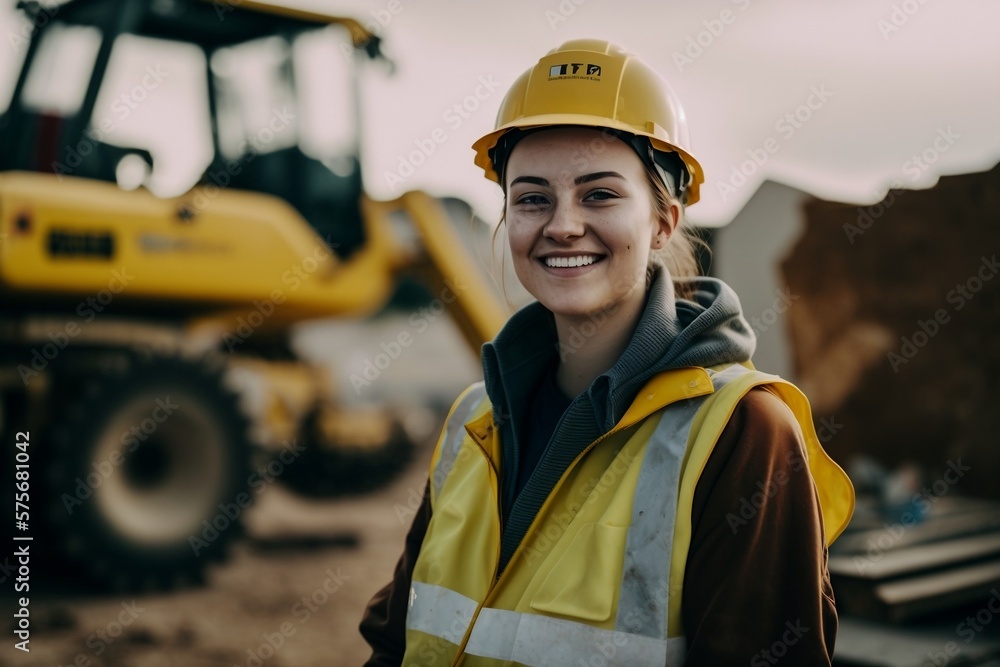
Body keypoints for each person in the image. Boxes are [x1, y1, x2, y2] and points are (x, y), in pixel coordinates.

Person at [360, 39, 855, 666]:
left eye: (599, 194)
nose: (563, 224)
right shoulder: (473, 420)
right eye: (533, 197)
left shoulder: (743, 432)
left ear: (664, 222)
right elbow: (395, 643)